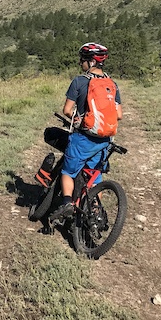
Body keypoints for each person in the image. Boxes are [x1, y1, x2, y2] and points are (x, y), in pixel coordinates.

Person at [50, 42, 122, 222]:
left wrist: (77, 119)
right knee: (95, 176)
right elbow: (119, 114)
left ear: (90, 62)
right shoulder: (112, 84)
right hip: (104, 140)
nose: (80, 62)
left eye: (82, 59)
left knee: (68, 172)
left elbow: (67, 110)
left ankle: (67, 202)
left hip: (83, 138)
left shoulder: (79, 81)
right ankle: (95, 211)